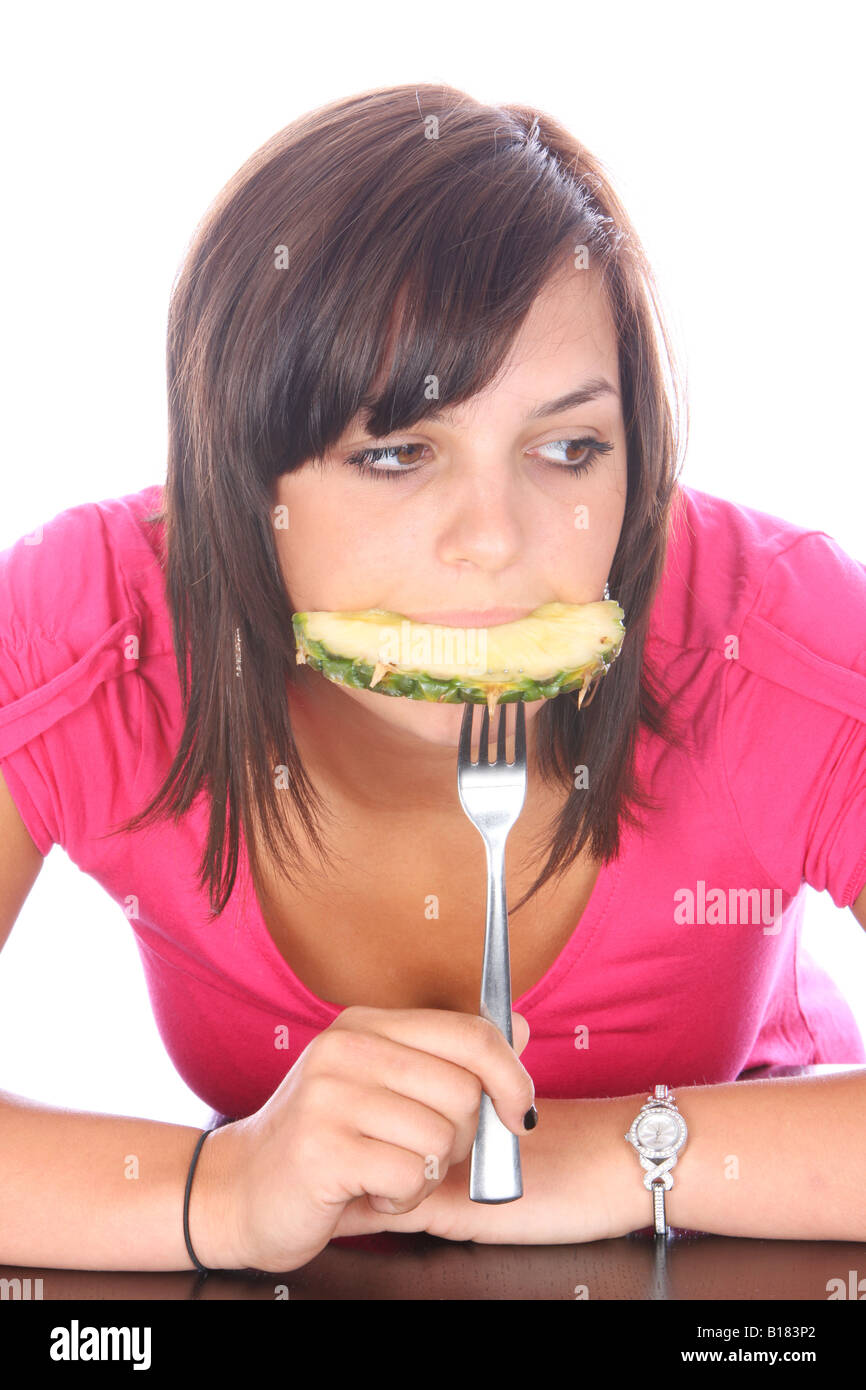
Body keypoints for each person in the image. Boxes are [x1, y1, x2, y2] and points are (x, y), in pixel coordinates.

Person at [1, 83, 864, 1276]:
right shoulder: (93, 635)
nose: (494, 539)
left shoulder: (768, 638)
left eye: (567, 448)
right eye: (397, 451)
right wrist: (229, 1186)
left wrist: (627, 1151)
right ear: (244, 476)